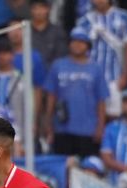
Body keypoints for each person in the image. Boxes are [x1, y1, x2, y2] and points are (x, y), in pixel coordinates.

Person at [43, 28, 108, 157]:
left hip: (88, 129)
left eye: (81, 42)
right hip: (62, 128)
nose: (77, 45)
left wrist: (100, 127)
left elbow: (101, 101)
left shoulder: (96, 69)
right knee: (63, 165)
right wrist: (48, 122)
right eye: (74, 41)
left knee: (86, 166)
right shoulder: (58, 65)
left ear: (88, 46)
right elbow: (51, 96)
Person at [75, 0, 127, 117]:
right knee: (90, 112)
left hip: (115, 75)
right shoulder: (84, 21)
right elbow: (78, 50)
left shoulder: (124, 17)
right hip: (90, 75)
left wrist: (125, 75)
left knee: (114, 114)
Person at [30, 0, 67, 69]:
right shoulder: (25, 31)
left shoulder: (57, 31)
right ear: (31, 10)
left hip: (52, 70)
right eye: (35, 8)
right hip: (28, 69)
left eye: (42, 8)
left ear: (48, 9)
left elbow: (61, 55)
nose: (39, 12)